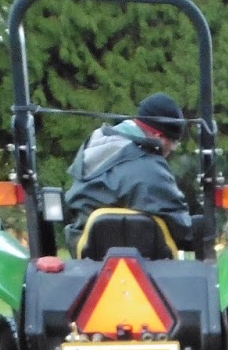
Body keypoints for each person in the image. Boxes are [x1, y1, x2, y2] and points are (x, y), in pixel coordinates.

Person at [64, 92, 193, 254]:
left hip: (87, 256)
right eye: (173, 142)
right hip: (146, 265)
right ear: (158, 136)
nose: (172, 149)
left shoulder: (92, 148)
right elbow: (182, 231)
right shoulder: (150, 169)